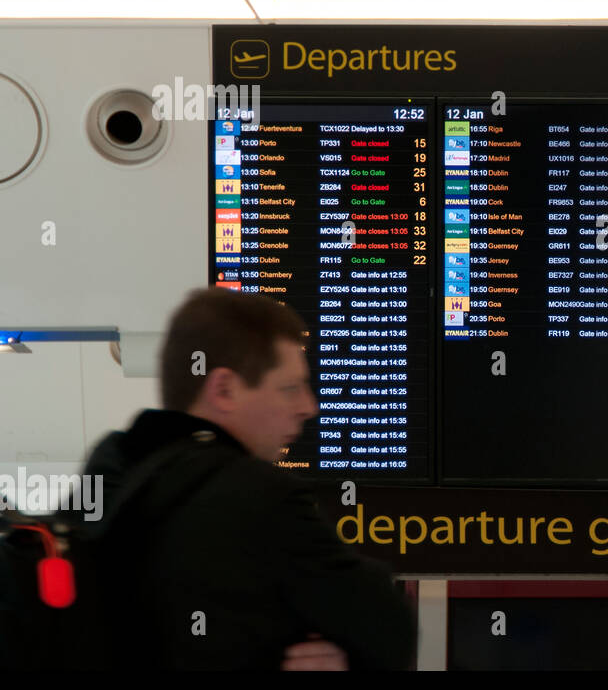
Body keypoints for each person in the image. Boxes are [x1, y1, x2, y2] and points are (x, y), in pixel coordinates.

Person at [83, 287, 416, 670]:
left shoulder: (109, 471)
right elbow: (388, 631)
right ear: (224, 390)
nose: (309, 407)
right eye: (290, 388)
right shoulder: (262, 497)